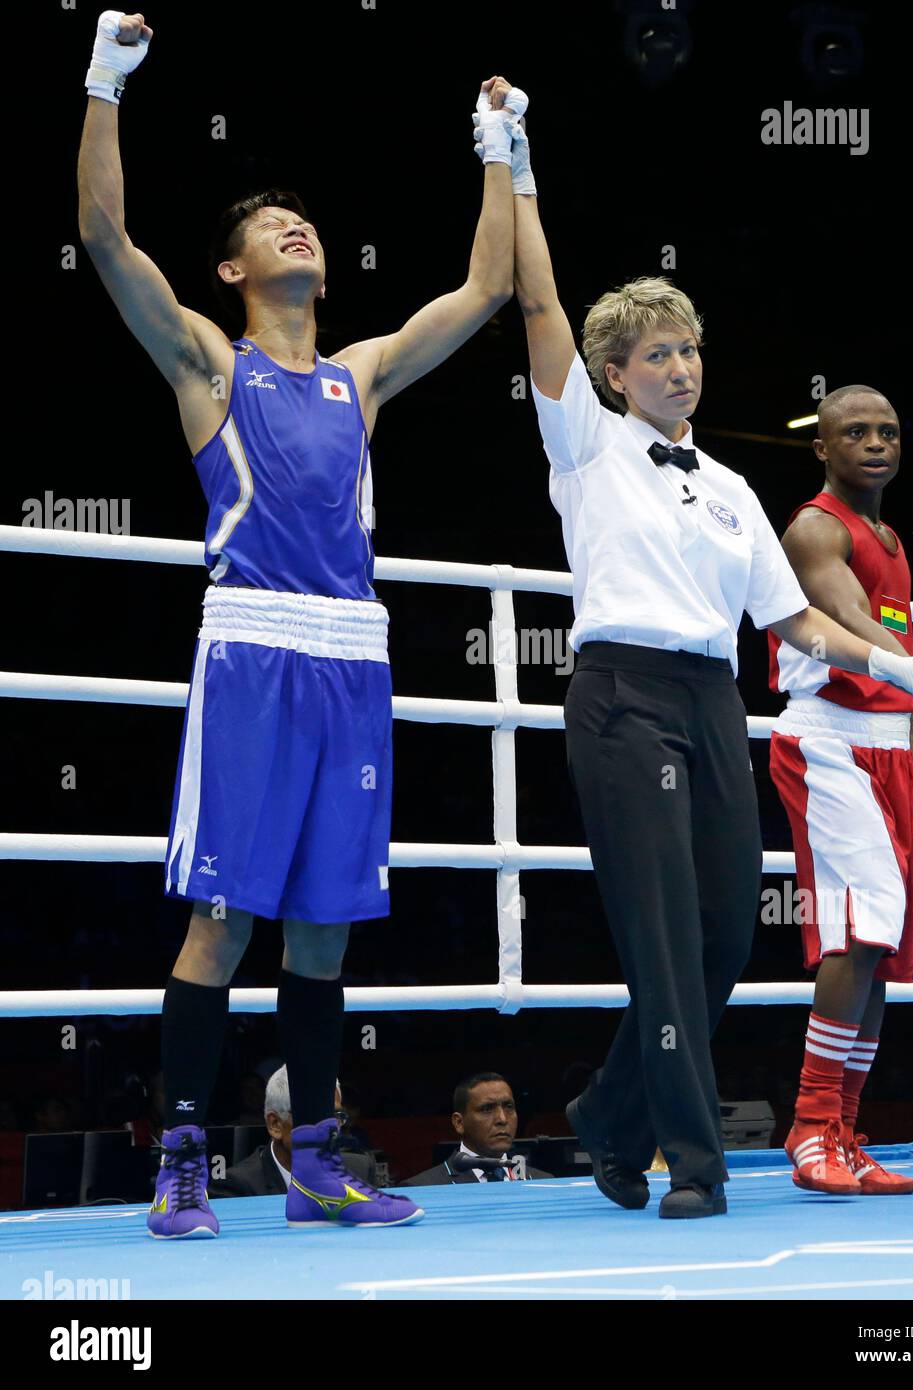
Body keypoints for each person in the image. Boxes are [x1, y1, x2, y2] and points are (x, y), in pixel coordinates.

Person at [507, 112, 913, 1218]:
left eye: (689, 350)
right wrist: (517, 163)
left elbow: (802, 630)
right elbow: (536, 302)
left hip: (708, 700)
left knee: (726, 932)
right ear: (613, 373)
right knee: (661, 934)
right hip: (619, 695)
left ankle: (601, 1117)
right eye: (657, 354)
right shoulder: (582, 442)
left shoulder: (730, 490)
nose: (680, 367)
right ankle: (694, 1159)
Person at [78, 10, 518, 1237]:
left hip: (351, 661)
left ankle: (316, 1162)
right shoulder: (210, 365)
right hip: (254, 651)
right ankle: (180, 1162)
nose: (300, 228)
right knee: (220, 920)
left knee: (322, 927)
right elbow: (103, 236)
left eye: (307, 223)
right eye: (273, 225)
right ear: (230, 269)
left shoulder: (360, 372)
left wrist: (502, 146)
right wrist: (107, 76)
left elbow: (486, 287)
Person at [768, 385, 913, 1194]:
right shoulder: (814, 528)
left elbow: (893, 670)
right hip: (826, 740)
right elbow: (852, 625)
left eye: (888, 431)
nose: (875, 443)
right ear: (821, 448)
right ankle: (807, 1124)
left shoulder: (890, 537)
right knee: (859, 927)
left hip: (887, 749)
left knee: (886, 944)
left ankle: (844, 1130)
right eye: (854, 432)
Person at [209, 1069, 376, 1197]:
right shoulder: (237, 1185)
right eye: (313, 1118)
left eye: (336, 1116)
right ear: (275, 1125)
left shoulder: (358, 1170)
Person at [400, 1074, 553, 1185]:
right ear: (459, 1123)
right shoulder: (421, 1189)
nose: (502, 1119)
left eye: (508, 1107)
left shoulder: (545, 1183)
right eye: (487, 1109)